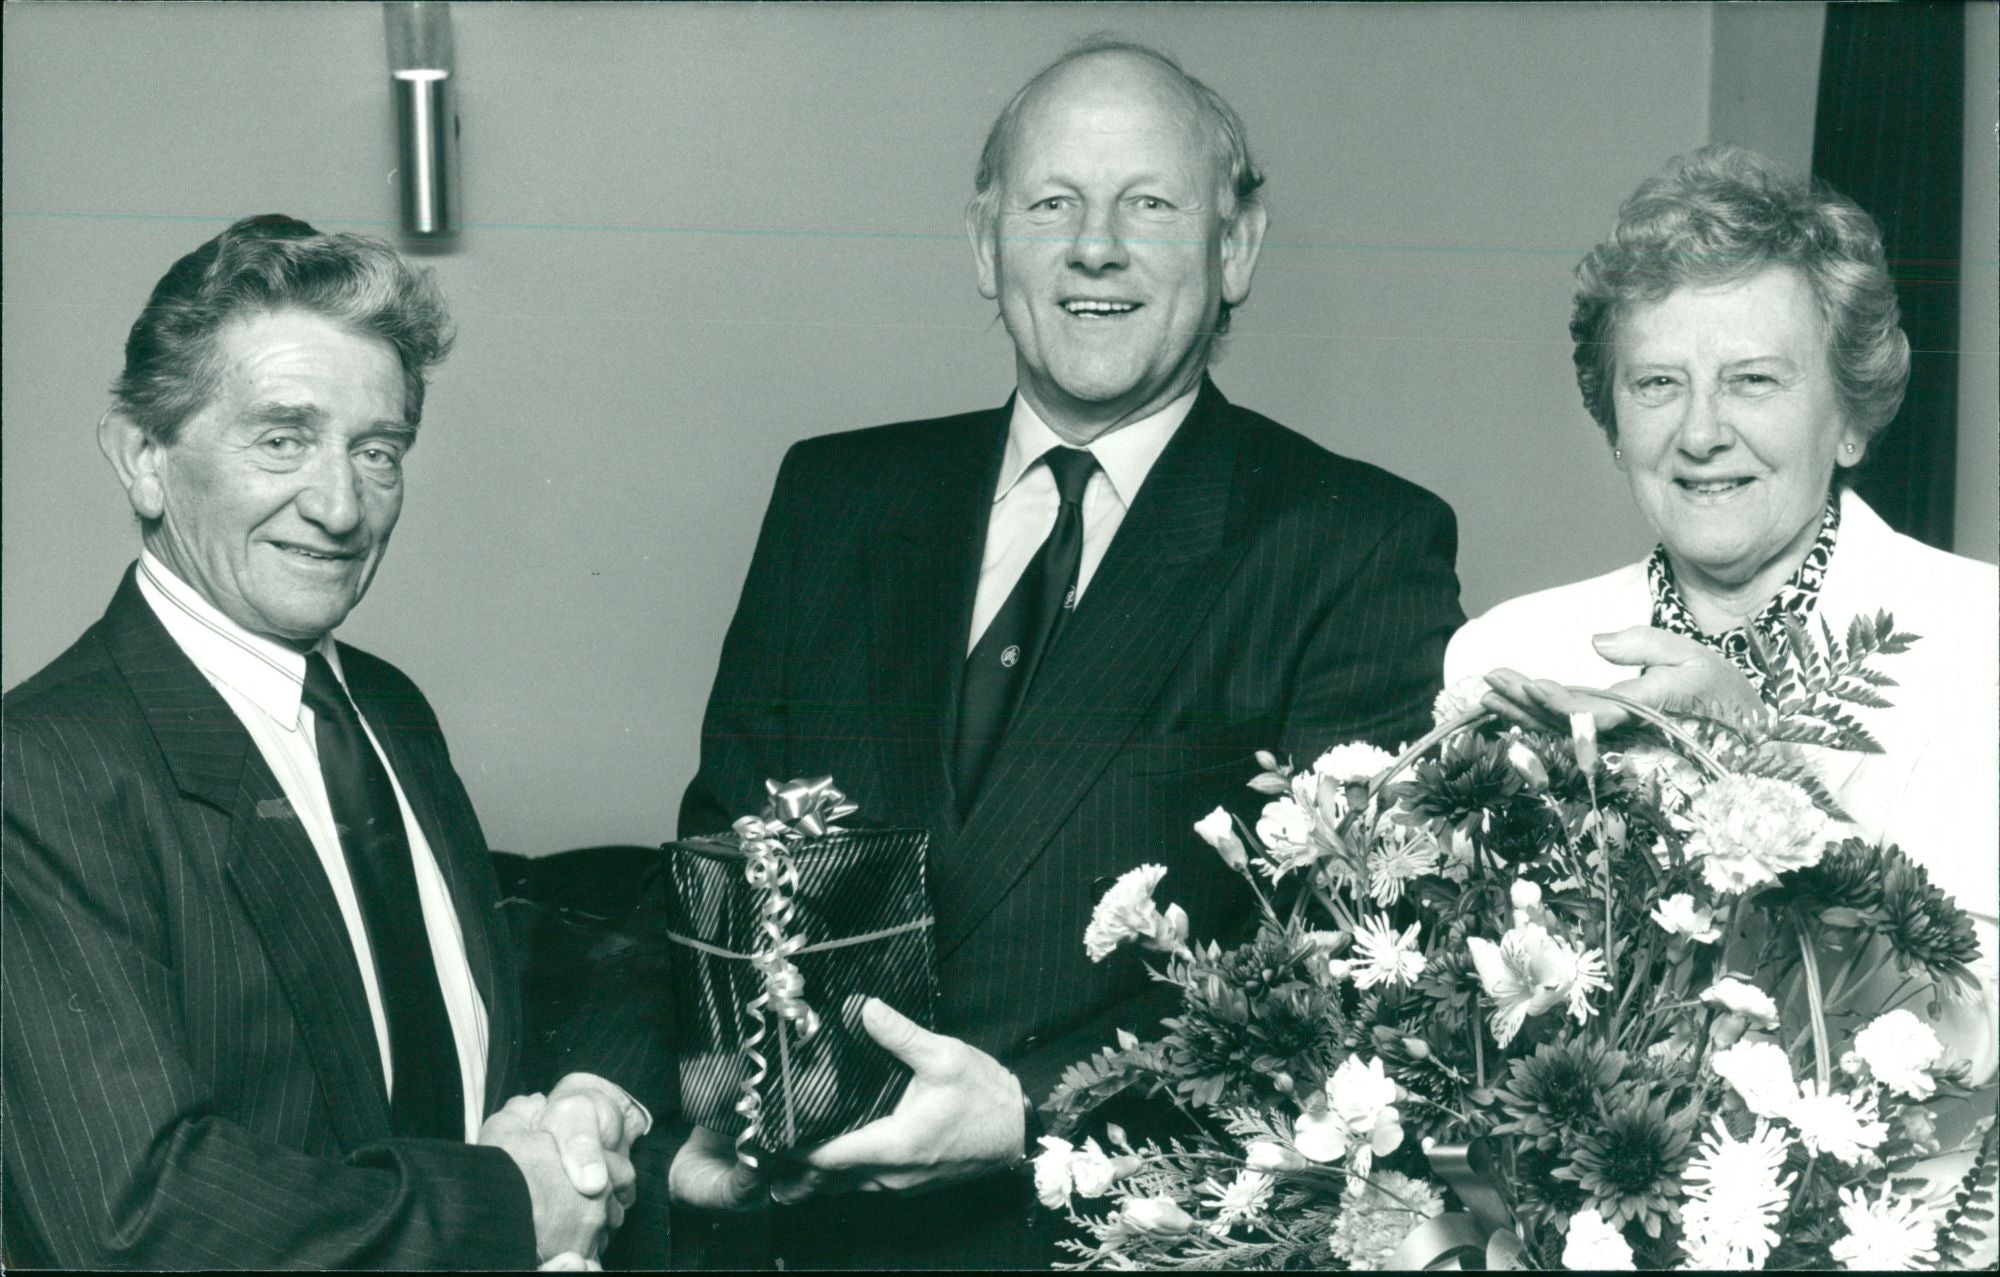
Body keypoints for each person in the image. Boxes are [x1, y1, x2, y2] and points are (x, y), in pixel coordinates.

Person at [669, 39, 1464, 1268]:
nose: (1096, 246)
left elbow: (1345, 991)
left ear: (1234, 248)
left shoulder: (1351, 543)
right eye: (1052, 205)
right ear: (986, 246)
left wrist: (1028, 1117)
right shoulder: (831, 499)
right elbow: (719, 868)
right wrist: (666, 1110)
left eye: (1149, 204)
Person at [1, 216, 653, 1269]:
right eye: (282, 437)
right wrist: (504, 1207)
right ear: (143, 457)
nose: (342, 505)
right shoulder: (42, 770)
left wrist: (600, 1126)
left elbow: (472, 1053)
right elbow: (135, 1215)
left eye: (377, 450)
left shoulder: (386, 708)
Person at [1445, 146, 1998, 1143]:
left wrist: (1751, 757)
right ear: (1611, 420)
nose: (1700, 431)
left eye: (1751, 380)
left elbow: (1967, 1031)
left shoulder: (1979, 641)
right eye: (1656, 383)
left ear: (1848, 419)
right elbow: (1470, 1040)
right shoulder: (1513, 647)